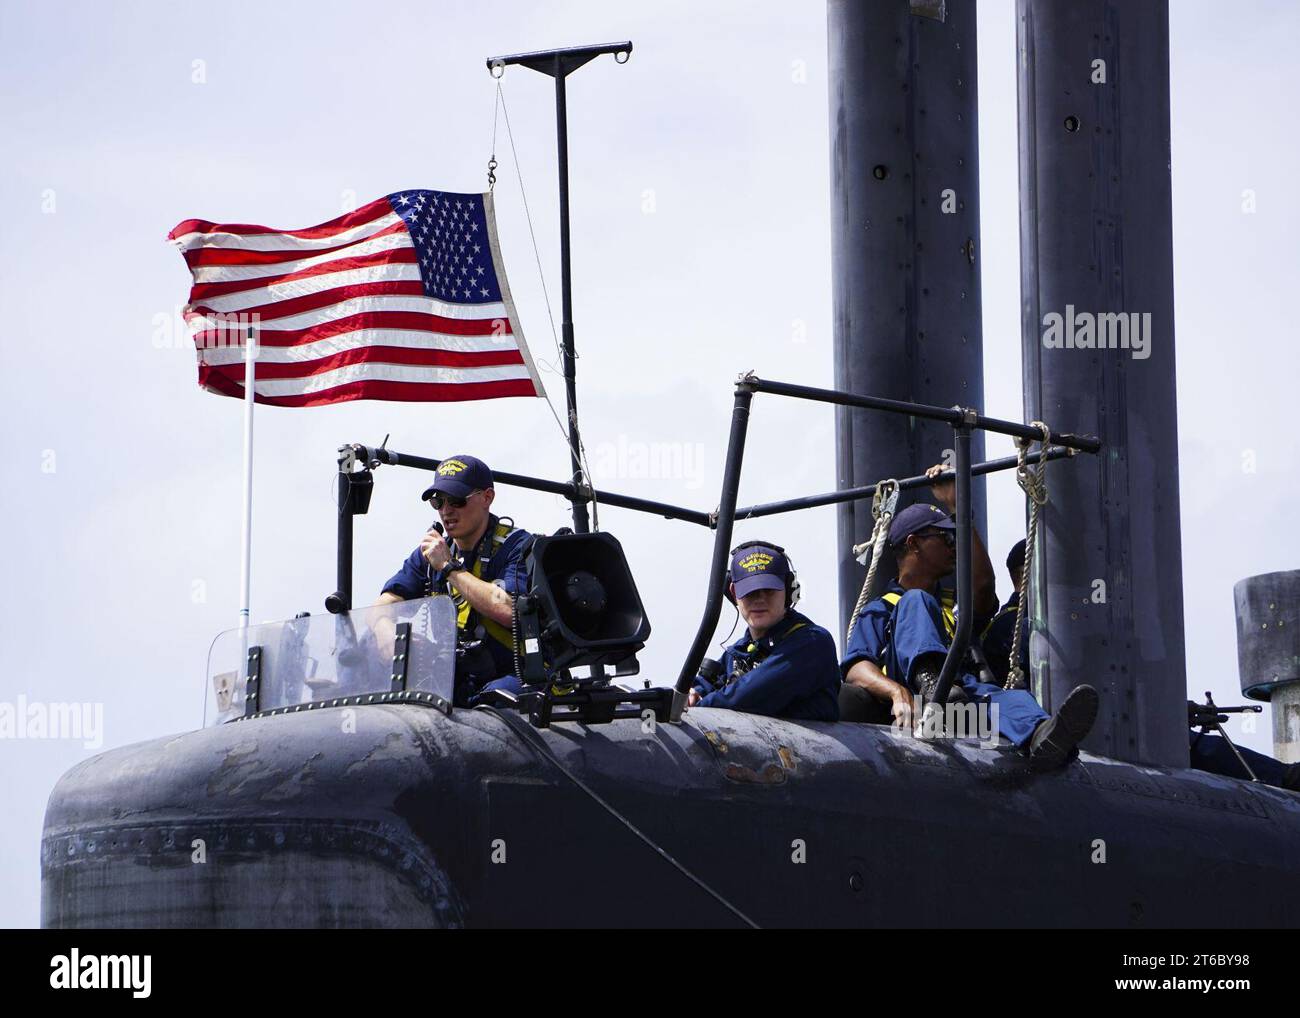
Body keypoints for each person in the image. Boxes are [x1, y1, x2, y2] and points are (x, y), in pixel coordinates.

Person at [840, 463, 1098, 770]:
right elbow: (856, 668)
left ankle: (1044, 737)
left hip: (960, 703)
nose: (953, 545)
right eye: (944, 538)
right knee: (916, 600)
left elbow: (984, 587)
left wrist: (957, 507)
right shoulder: (882, 609)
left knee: (1006, 698)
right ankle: (931, 682)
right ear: (914, 544)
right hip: (917, 703)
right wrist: (896, 692)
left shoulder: (952, 613)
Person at [376, 454, 532, 707]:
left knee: (492, 705)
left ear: (487, 498)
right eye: (438, 502)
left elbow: (508, 609)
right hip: (455, 678)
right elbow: (384, 603)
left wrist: (449, 568)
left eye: (457, 501)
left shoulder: (518, 546)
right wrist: (384, 631)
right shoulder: (429, 553)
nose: (446, 511)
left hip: (514, 676)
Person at [687, 542, 840, 722]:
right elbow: (705, 687)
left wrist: (696, 709)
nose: (759, 600)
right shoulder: (735, 653)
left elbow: (749, 694)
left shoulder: (813, 643)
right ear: (734, 593)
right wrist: (693, 693)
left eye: (768, 590)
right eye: (750, 592)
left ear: (788, 588)